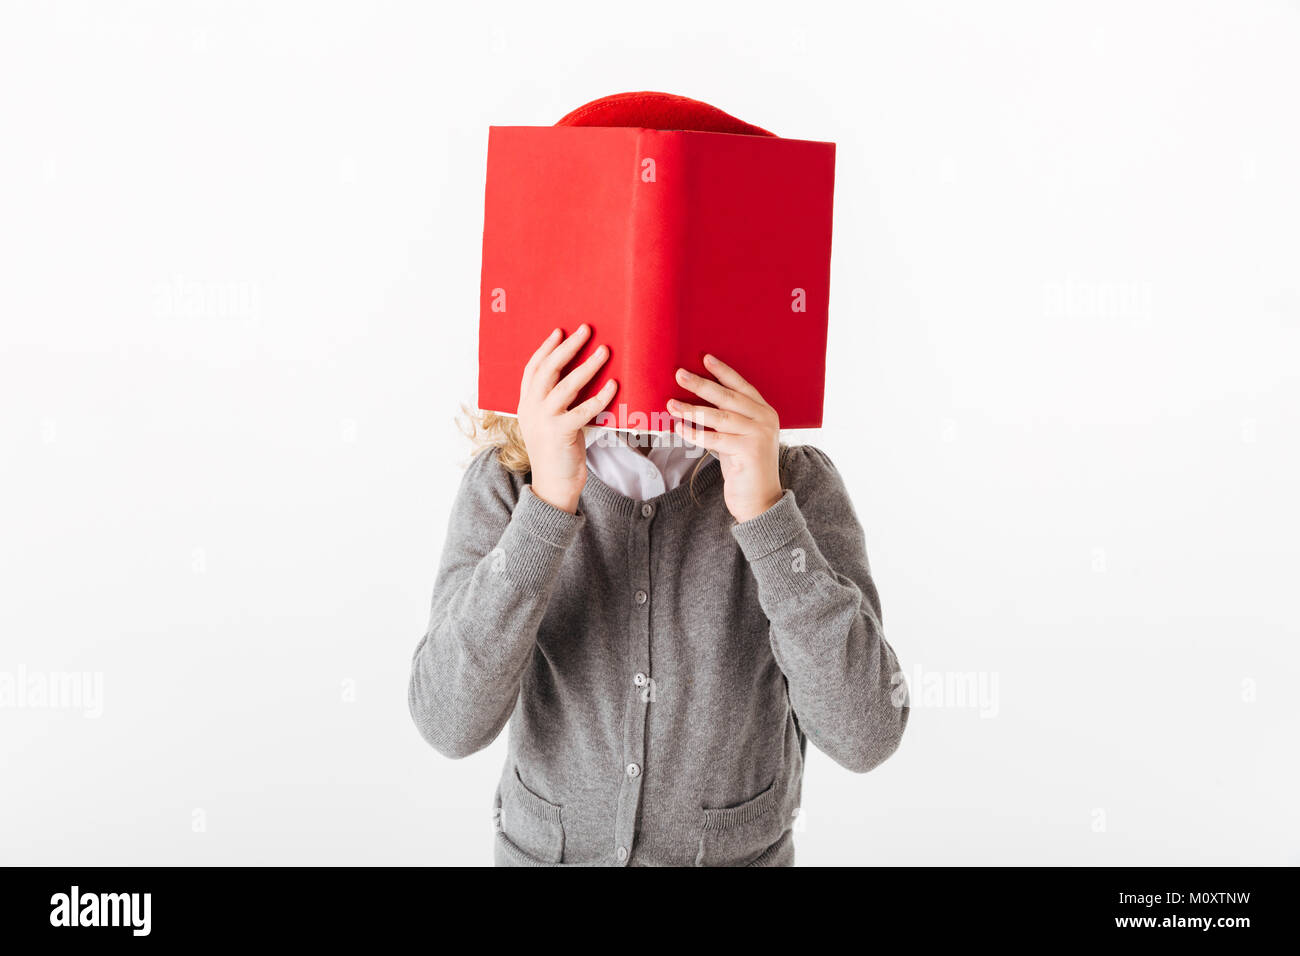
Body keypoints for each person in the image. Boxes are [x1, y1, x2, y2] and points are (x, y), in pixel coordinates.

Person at [408, 92, 908, 866]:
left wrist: (765, 513)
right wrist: (549, 501)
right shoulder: (508, 483)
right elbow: (446, 719)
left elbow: (869, 731)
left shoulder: (796, 488)